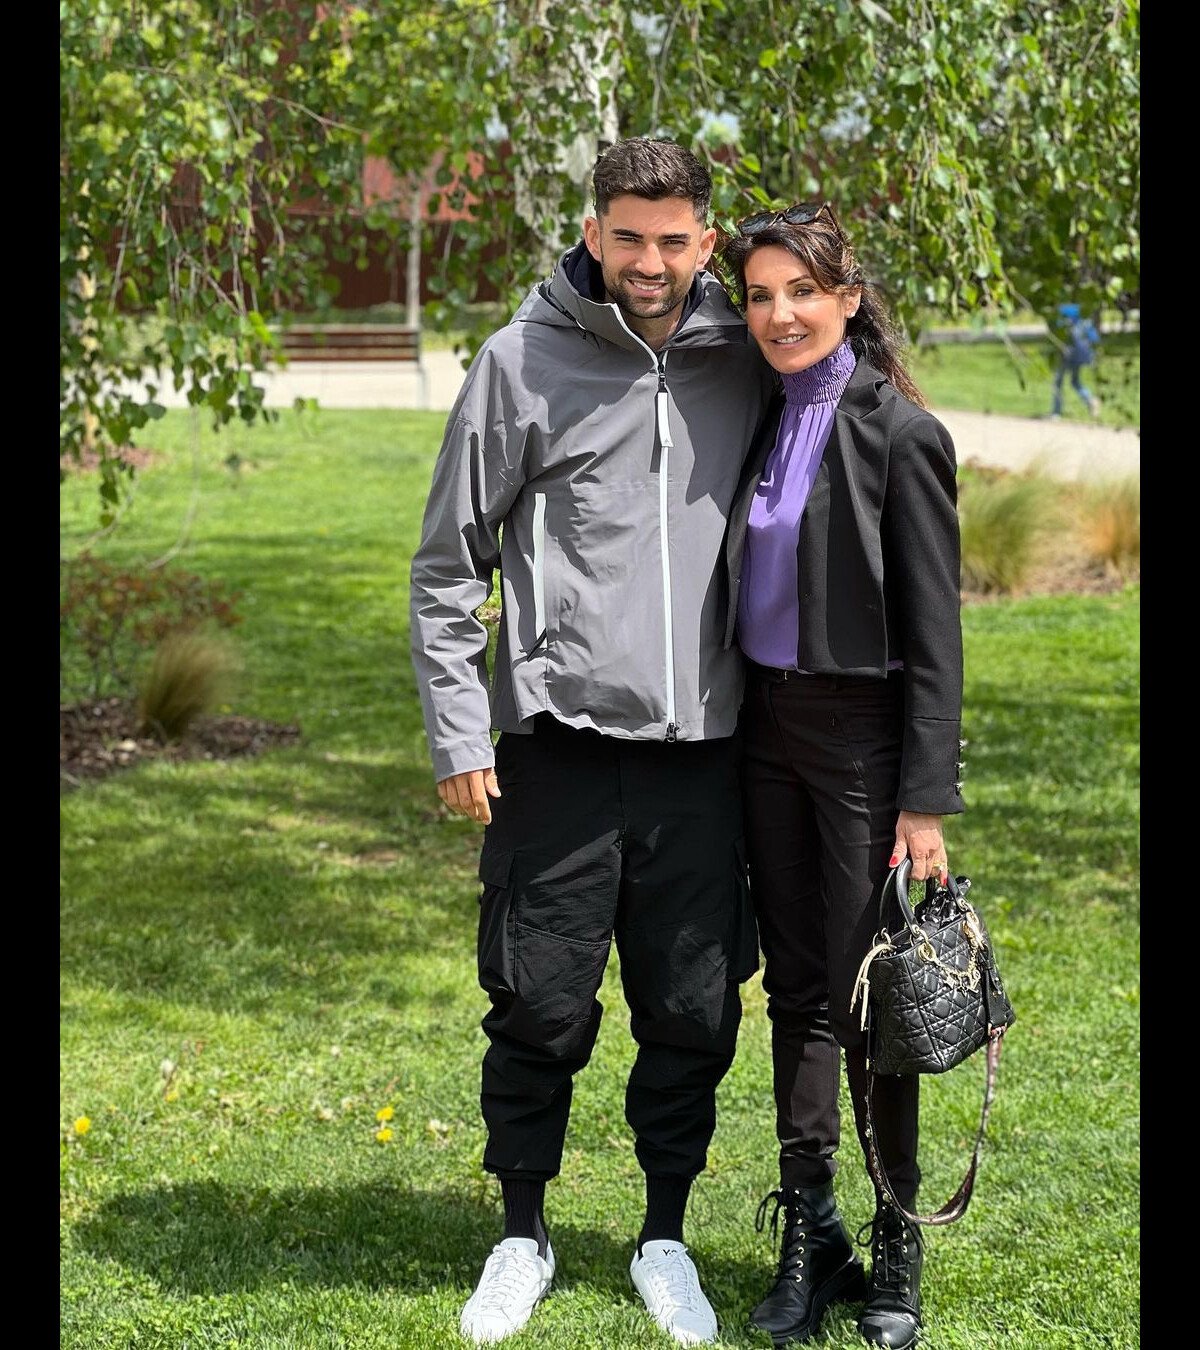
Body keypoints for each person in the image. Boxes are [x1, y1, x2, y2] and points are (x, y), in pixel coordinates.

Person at [409, 137, 775, 1346]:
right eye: (630, 237)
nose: (652, 263)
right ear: (595, 228)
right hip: (555, 751)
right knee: (537, 1004)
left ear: (706, 240)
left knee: (693, 1006)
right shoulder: (521, 363)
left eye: (675, 241)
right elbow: (448, 563)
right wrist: (462, 730)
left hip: (706, 758)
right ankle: (521, 1234)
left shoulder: (746, 361)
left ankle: (664, 1235)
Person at [719, 203, 965, 1350]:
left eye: (800, 292)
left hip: (864, 740)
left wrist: (924, 798)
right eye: (759, 294)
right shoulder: (757, 411)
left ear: (848, 298)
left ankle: (897, 1235)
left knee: (874, 999)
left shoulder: (900, 434)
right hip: (765, 732)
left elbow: (935, 633)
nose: (778, 314)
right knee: (798, 990)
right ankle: (811, 1227)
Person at [1050, 302, 1101, 418]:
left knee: (1057, 381)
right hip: (1081, 355)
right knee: (1075, 381)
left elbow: (1059, 333)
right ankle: (1090, 400)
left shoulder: (1063, 314)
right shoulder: (1083, 317)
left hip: (1068, 354)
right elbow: (1094, 338)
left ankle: (1056, 412)